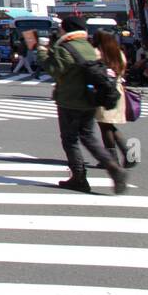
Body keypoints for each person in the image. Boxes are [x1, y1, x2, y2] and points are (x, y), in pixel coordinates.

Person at [33, 19, 128, 194]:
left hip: (70, 99)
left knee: (70, 140)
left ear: (66, 30)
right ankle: (113, 167)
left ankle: (79, 178)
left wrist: (41, 51)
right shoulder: (88, 47)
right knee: (88, 137)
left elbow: (53, 69)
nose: (59, 32)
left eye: (61, 29)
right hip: (90, 99)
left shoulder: (66, 48)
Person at [92, 29, 134, 168]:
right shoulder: (119, 53)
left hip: (103, 91)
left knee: (105, 125)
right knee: (109, 124)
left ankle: (112, 159)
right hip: (117, 90)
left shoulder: (98, 53)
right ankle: (128, 155)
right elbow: (122, 71)